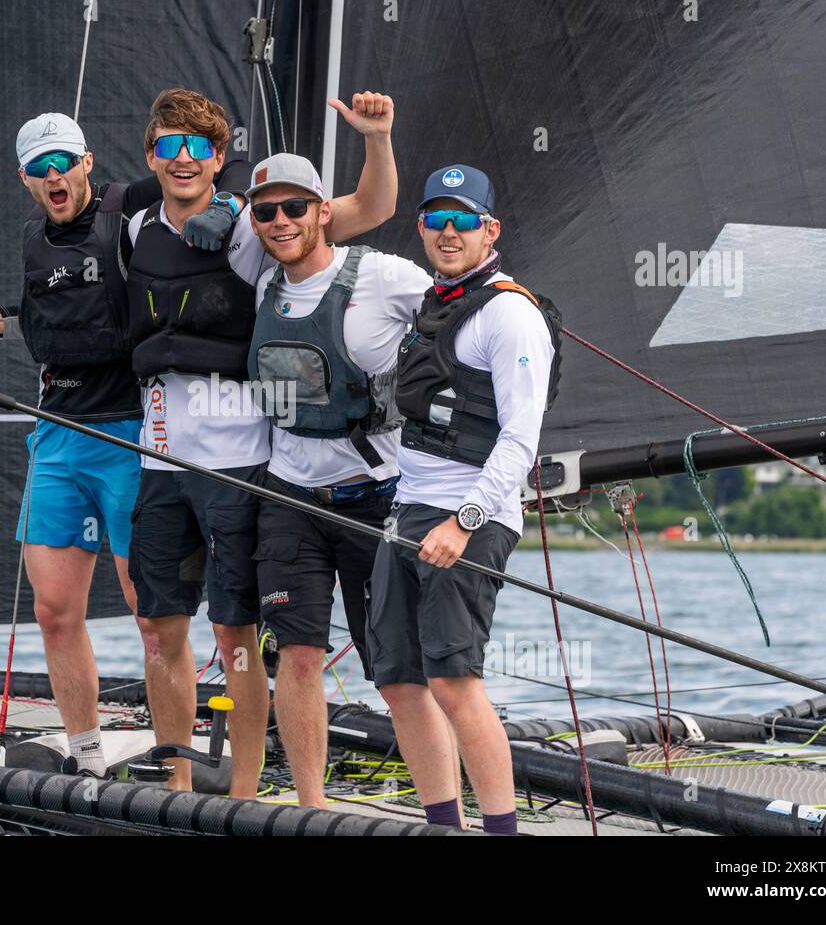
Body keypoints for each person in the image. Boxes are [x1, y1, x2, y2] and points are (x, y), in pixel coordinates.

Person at [0, 112, 248, 776]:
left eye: (63, 162)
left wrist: (227, 205)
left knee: (153, 617)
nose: (54, 176)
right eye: (38, 167)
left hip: (133, 434)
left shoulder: (126, 204)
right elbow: (58, 325)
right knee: (54, 612)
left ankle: (176, 776)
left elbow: (199, 178)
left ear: (86, 162)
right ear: (24, 178)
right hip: (58, 434)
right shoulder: (34, 240)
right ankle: (85, 759)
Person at [123, 87, 398, 797]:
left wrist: (374, 139)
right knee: (158, 628)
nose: (183, 160)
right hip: (162, 462)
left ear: (219, 159)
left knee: (234, 635)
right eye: (168, 147)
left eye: (199, 149)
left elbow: (366, 211)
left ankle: (243, 796)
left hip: (240, 465)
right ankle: (178, 789)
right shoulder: (135, 226)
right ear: (150, 154)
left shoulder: (255, 224)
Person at [368, 164, 561, 832]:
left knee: (453, 679)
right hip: (410, 510)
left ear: (491, 229)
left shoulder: (510, 313)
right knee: (397, 677)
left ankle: (501, 830)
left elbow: (521, 437)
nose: (449, 232)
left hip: (471, 516)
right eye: (436, 219)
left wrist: (464, 520)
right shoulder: (436, 302)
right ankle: (443, 826)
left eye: (464, 220)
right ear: (421, 225)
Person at [244, 152, 434, 809]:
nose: (280, 220)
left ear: (325, 212)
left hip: (378, 501)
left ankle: (446, 816)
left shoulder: (384, 277)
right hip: (288, 498)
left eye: (295, 207)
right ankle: (311, 811)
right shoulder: (256, 282)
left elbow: (469, 322)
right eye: (265, 211)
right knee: (294, 656)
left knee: (396, 672)